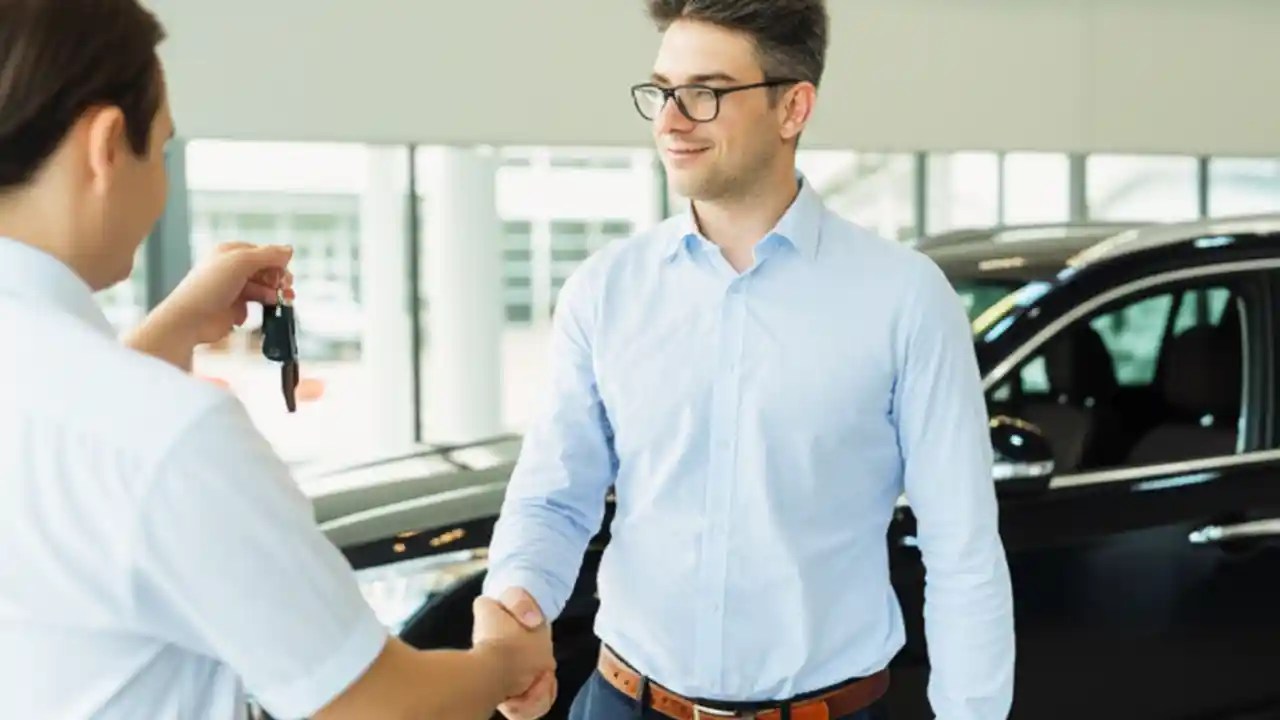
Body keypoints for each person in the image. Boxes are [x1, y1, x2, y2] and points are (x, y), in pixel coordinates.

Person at [0, 1, 554, 718]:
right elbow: (370, 707)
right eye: (162, 149)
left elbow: (63, 445)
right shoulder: (170, 433)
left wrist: (172, 334)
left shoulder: (94, 412)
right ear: (106, 146)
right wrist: (502, 665)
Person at [476, 1, 1016, 719]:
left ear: (792, 107)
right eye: (662, 90)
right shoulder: (606, 291)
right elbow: (553, 497)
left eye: (704, 93)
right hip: (625, 703)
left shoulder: (905, 299)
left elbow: (962, 549)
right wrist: (518, 608)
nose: (669, 120)